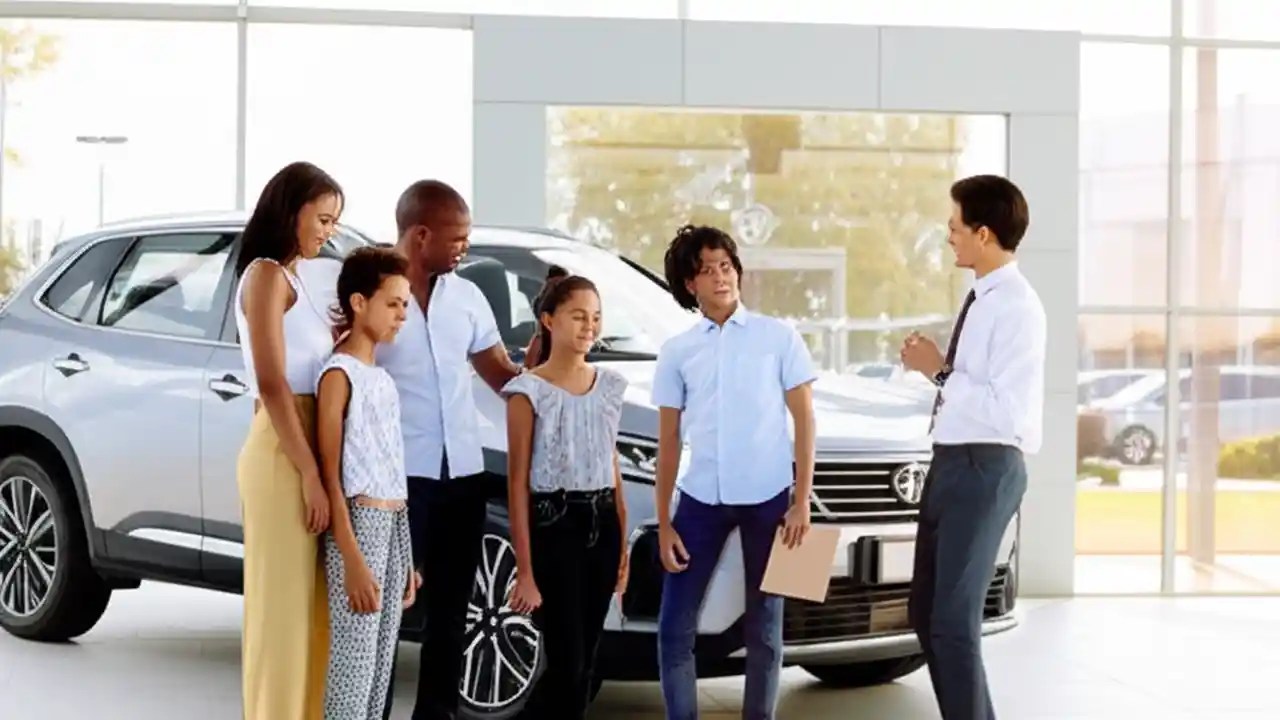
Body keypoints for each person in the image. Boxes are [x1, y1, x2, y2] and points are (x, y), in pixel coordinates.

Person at [652, 225, 817, 720]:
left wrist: (802, 498)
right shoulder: (677, 351)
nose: (720, 276)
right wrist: (663, 523)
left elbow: (805, 419)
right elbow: (668, 442)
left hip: (771, 500)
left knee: (766, 628)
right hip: (699, 499)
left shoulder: (778, 337)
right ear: (689, 284)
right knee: (673, 627)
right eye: (706, 269)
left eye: (726, 265)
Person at [376, 179, 523, 720]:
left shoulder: (467, 297)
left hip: (461, 474)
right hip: (395, 481)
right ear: (420, 235)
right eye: (456, 238)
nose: (465, 247)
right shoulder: (372, 292)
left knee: (451, 613)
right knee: (387, 613)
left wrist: (555, 379)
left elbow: (500, 376)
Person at [901, 174, 1045, 720]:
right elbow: (968, 392)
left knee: (953, 623)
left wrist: (938, 370)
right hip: (950, 463)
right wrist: (931, 370)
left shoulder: (1018, 308)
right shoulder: (982, 298)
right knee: (925, 613)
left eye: (955, 227)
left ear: (983, 234)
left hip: (985, 467)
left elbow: (1007, 413)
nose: (949, 236)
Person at [234, 160, 343, 720]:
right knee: (281, 617)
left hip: (305, 448)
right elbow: (274, 384)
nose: (328, 230)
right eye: (322, 217)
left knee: (310, 616)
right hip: (283, 451)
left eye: (334, 221)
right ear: (290, 209)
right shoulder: (266, 274)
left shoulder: (297, 278)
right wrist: (308, 473)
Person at [503, 267, 630, 720]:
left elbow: (610, 464)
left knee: (587, 666)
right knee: (568, 662)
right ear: (549, 319)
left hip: (603, 526)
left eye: (596, 317)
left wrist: (623, 547)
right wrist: (524, 570)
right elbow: (516, 482)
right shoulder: (527, 392)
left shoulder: (610, 386)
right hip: (554, 527)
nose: (589, 327)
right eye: (579, 316)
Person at [316, 247, 423, 719]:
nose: (402, 314)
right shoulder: (339, 376)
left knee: (381, 674)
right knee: (353, 669)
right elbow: (330, 475)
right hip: (356, 529)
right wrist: (354, 559)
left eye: (406, 304)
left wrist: (406, 557)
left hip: (391, 522)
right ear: (360, 303)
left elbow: (392, 473)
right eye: (393, 303)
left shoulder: (381, 378)